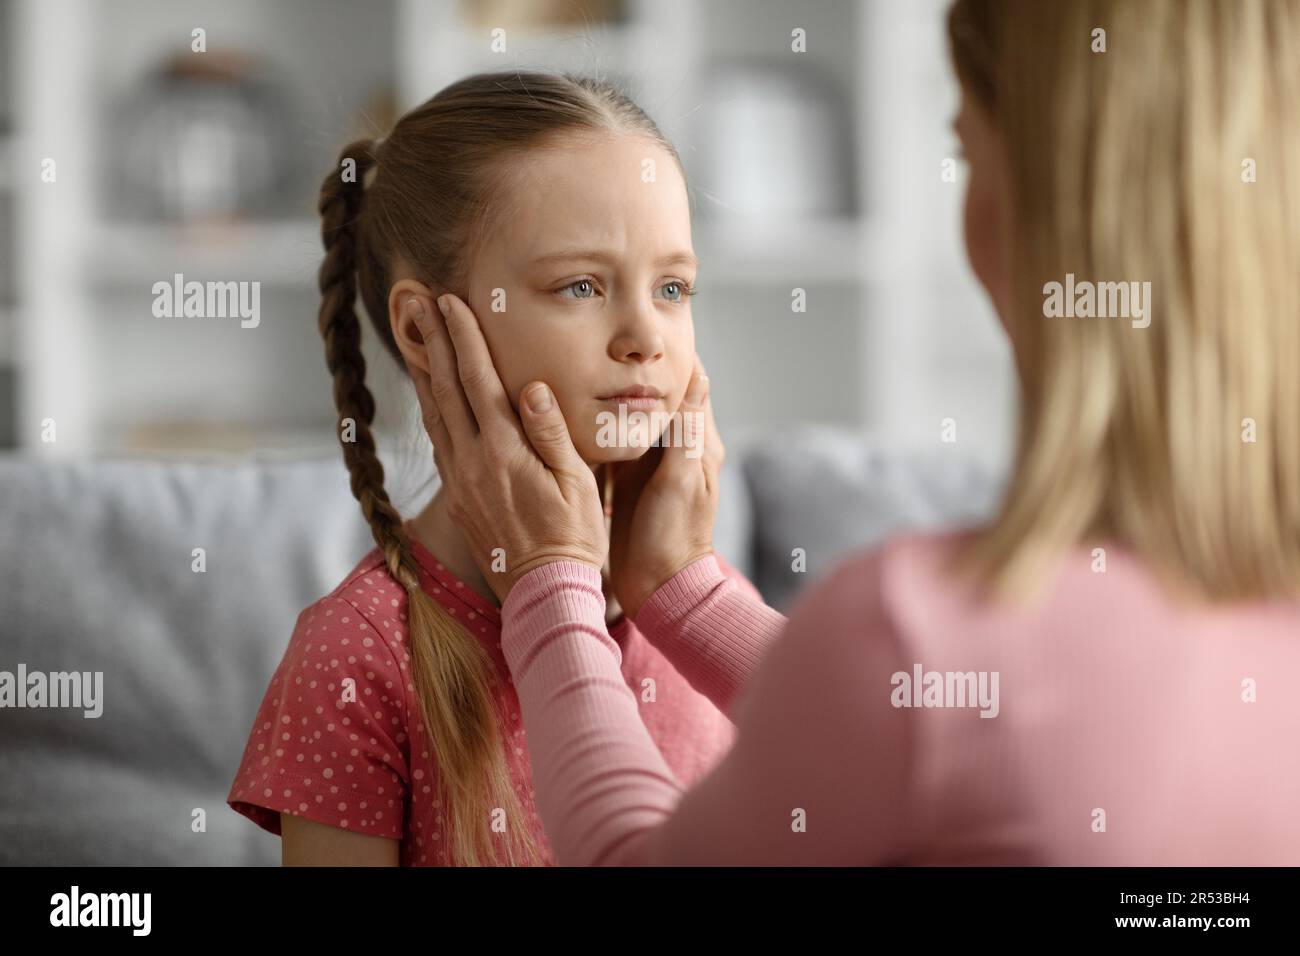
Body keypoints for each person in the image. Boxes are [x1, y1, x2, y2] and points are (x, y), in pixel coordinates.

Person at [412, 0, 1300, 865]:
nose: (644, 332)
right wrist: (684, 596)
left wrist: (545, 576)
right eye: (581, 285)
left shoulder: (913, 625)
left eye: (966, 154)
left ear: (1043, 199)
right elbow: (928, 736)